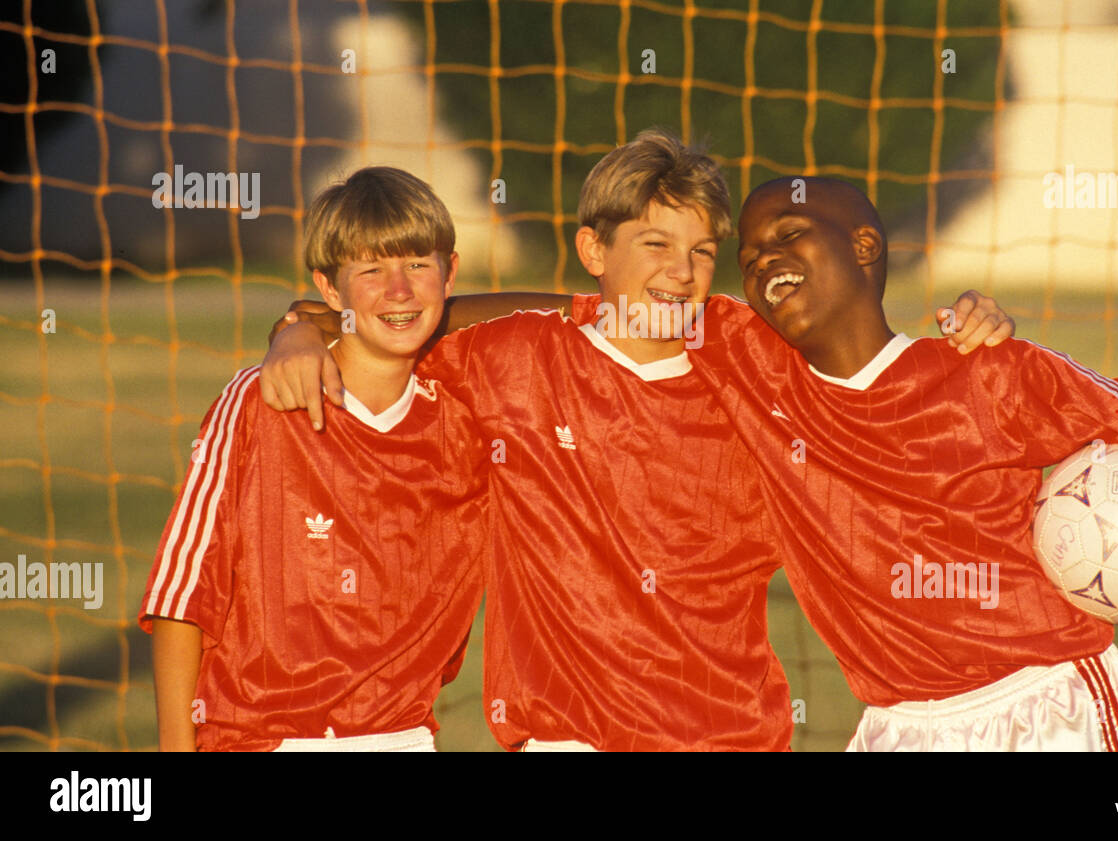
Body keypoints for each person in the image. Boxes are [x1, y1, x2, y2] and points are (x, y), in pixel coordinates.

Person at [259, 131, 1015, 750]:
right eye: (654, 244)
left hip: (732, 735)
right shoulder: (513, 360)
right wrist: (303, 326)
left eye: (701, 251)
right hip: (570, 740)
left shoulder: (748, 353)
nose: (680, 273)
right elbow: (406, 314)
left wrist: (968, 328)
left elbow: (871, 378)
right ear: (593, 251)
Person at [690, 174, 1118, 751]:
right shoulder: (751, 370)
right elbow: (627, 301)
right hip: (896, 725)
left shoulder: (991, 370)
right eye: (748, 258)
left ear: (864, 245)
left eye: (790, 233)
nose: (765, 256)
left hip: (1045, 704)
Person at [139, 167, 489, 751]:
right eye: (371, 270)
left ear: (450, 272)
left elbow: (571, 325)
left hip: (402, 736)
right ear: (330, 289)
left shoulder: (474, 415)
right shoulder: (261, 400)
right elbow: (183, 597)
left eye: (417, 265)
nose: (398, 290)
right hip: (260, 737)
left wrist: (603, 307)